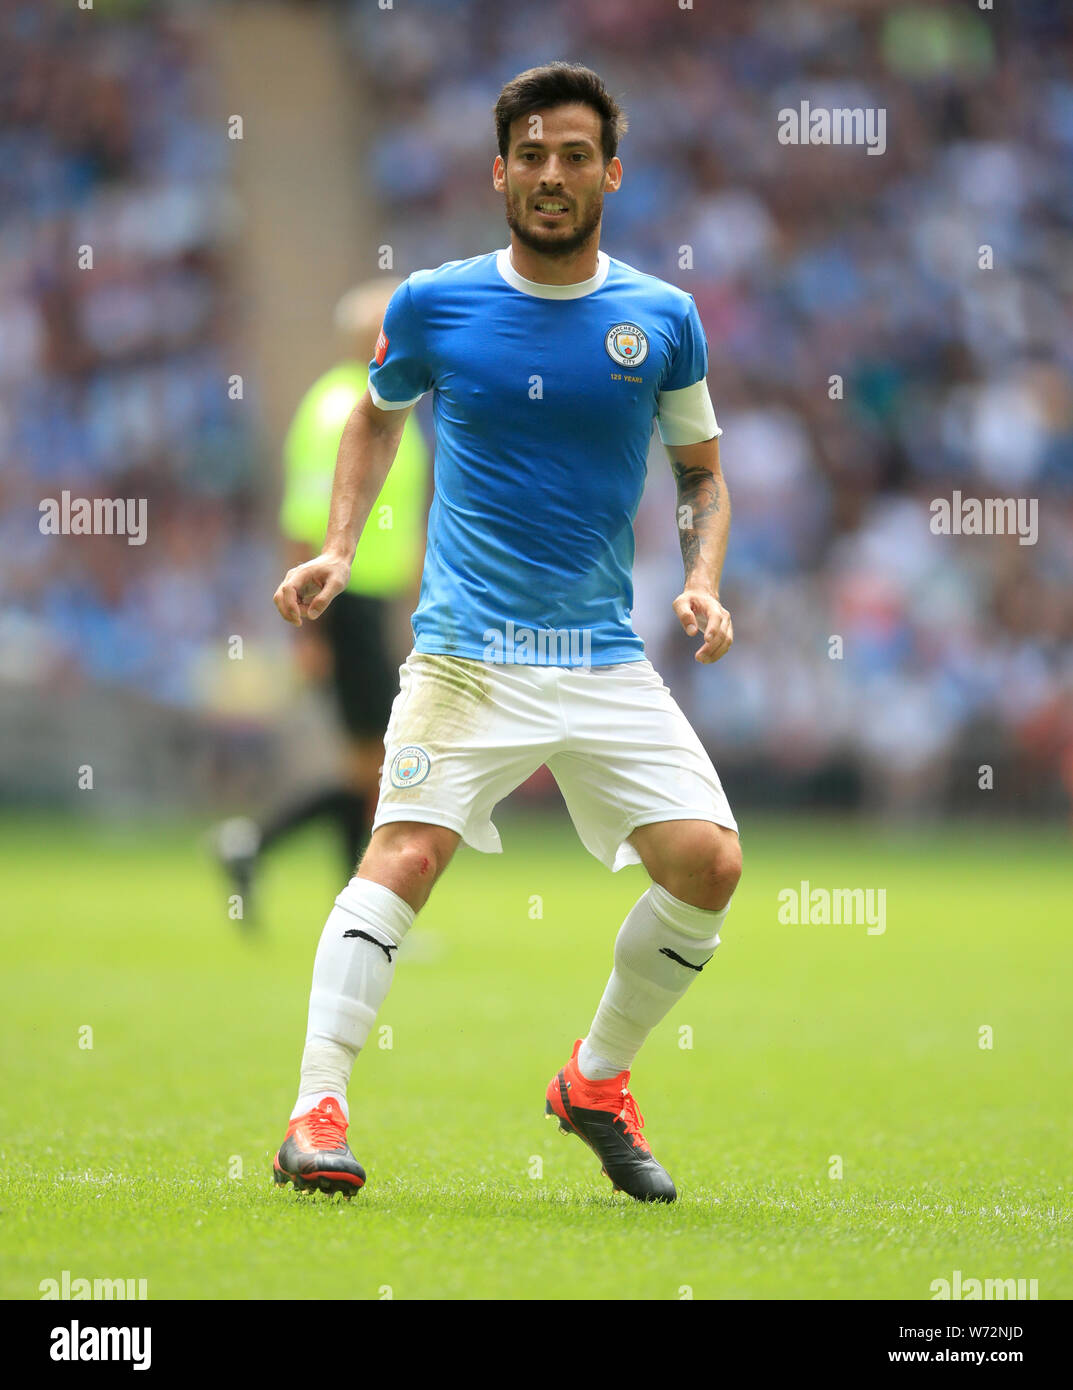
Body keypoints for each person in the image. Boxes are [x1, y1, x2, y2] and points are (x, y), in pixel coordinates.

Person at [270, 62, 741, 1203]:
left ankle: (594, 1081)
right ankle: (314, 1113)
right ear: (497, 172)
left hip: (597, 653)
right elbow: (371, 421)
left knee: (707, 864)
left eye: (573, 155)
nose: (549, 174)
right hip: (467, 649)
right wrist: (339, 546)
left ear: (609, 174)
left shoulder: (659, 319)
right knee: (406, 852)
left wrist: (704, 578)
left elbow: (701, 475)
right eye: (528, 155)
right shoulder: (432, 303)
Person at [217, 283, 428, 920]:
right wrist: (308, 630)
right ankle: (271, 851)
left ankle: (346, 903)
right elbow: (305, 519)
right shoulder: (340, 408)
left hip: (370, 602)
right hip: (344, 604)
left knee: (368, 766)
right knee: (379, 764)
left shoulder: (384, 402)